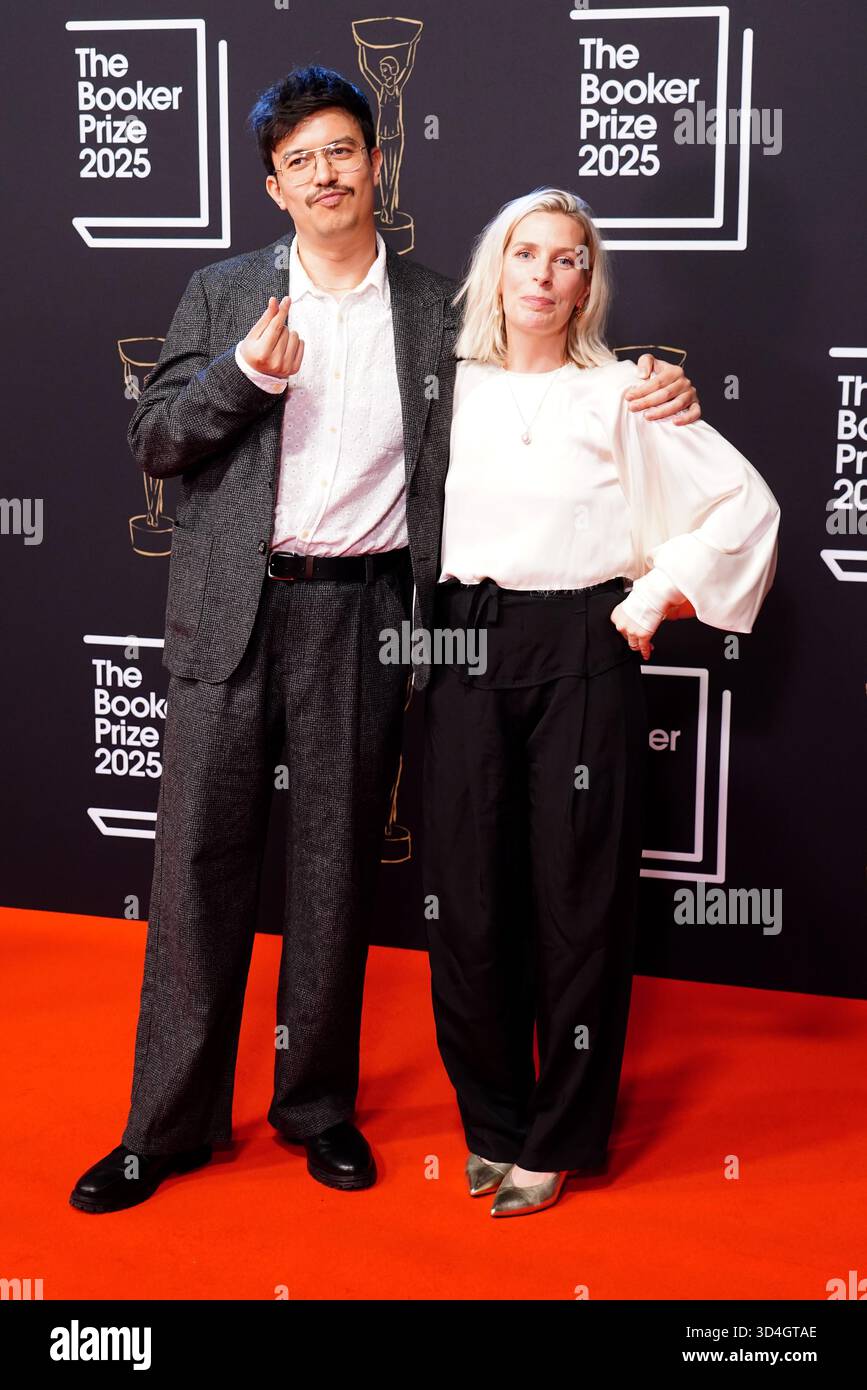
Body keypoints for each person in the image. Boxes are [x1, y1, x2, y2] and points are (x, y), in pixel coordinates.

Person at [69, 68, 699, 1215]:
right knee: (196, 874)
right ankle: (164, 1127)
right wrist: (246, 378)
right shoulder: (221, 294)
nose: (326, 173)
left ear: (377, 163)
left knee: (334, 874)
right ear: (273, 183)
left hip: (369, 617)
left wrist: (657, 386)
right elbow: (155, 439)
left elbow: (544, 380)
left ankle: (315, 1108)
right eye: (301, 158)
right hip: (231, 609)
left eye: (344, 150)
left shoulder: (438, 308)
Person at [422, 187, 780, 1217]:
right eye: (525, 253)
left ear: (589, 283)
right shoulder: (445, 384)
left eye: (567, 259)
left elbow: (741, 505)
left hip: (582, 640)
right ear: (496, 267)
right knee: (466, 898)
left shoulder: (626, 391)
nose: (542, 274)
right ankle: (490, 1122)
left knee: (578, 901)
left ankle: (561, 1135)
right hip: (455, 638)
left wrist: (657, 590)